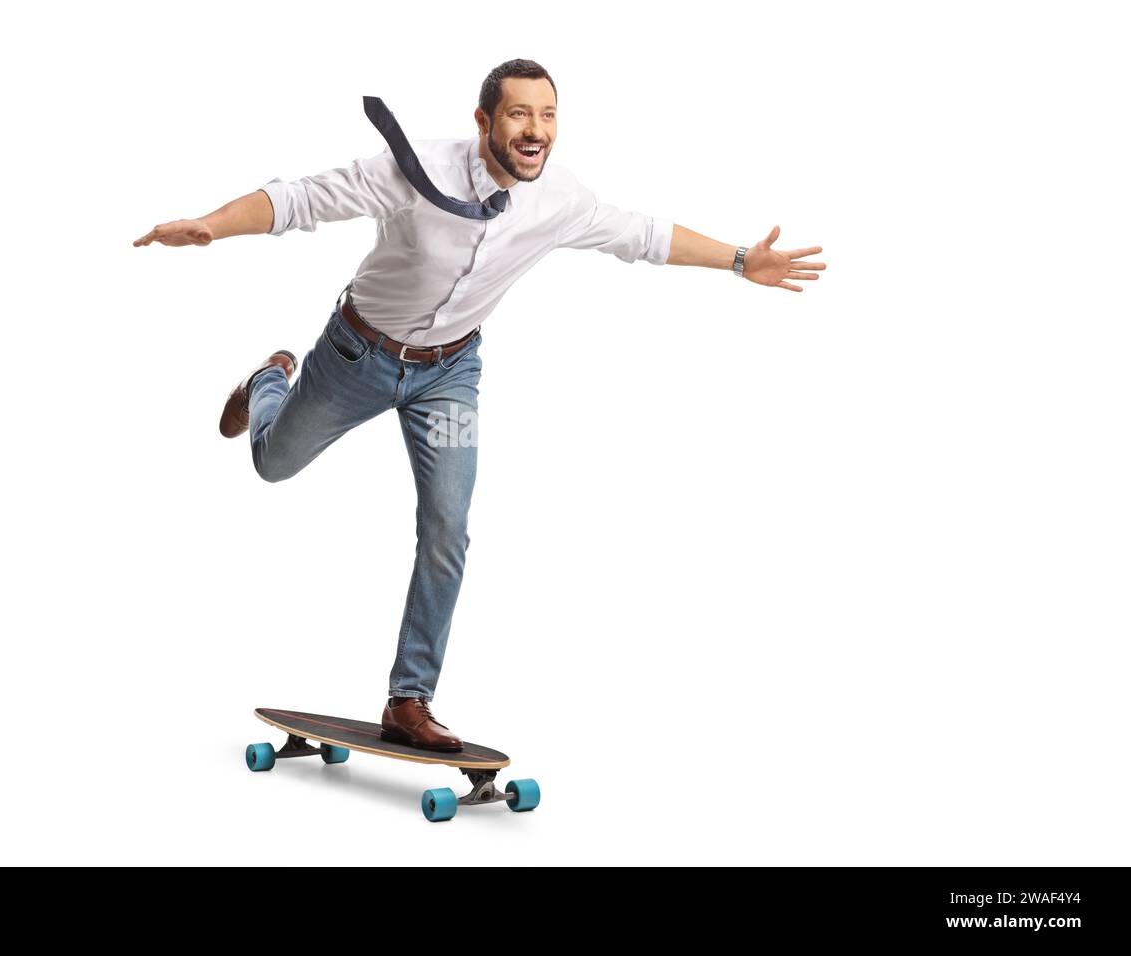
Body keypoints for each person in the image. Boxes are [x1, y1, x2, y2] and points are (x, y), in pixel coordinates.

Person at [133, 59, 826, 752]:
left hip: (449, 377)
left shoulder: (559, 200)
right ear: (484, 120)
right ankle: (268, 382)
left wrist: (741, 261)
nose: (537, 130)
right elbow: (301, 199)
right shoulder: (413, 170)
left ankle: (409, 698)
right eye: (520, 114)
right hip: (359, 357)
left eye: (549, 116)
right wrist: (212, 225)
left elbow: (645, 236)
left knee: (448, 525)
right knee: (273, 464)